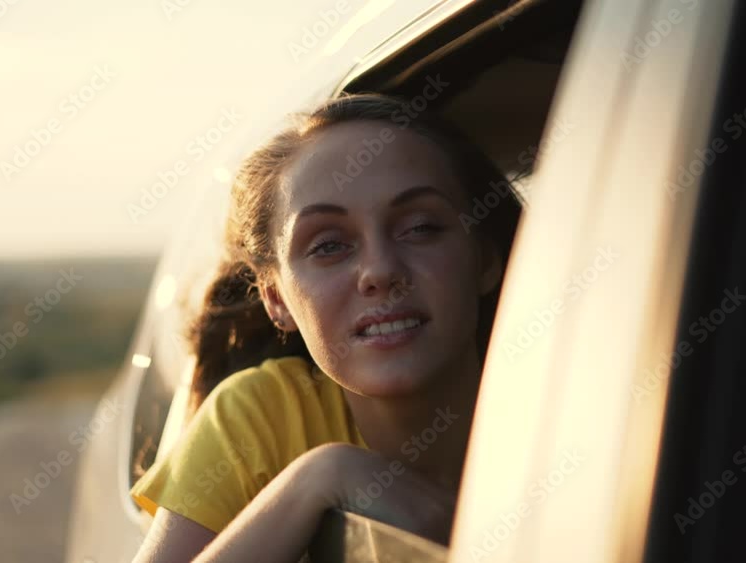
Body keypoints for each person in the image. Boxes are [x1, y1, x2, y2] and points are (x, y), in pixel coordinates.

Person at [130, 92, 523, 562]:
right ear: (277, 299)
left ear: (484, 259)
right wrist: (321, 477)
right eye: (329, 245)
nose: (379, 271)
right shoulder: (260, 418)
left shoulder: (570, 400)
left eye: (420, 227)